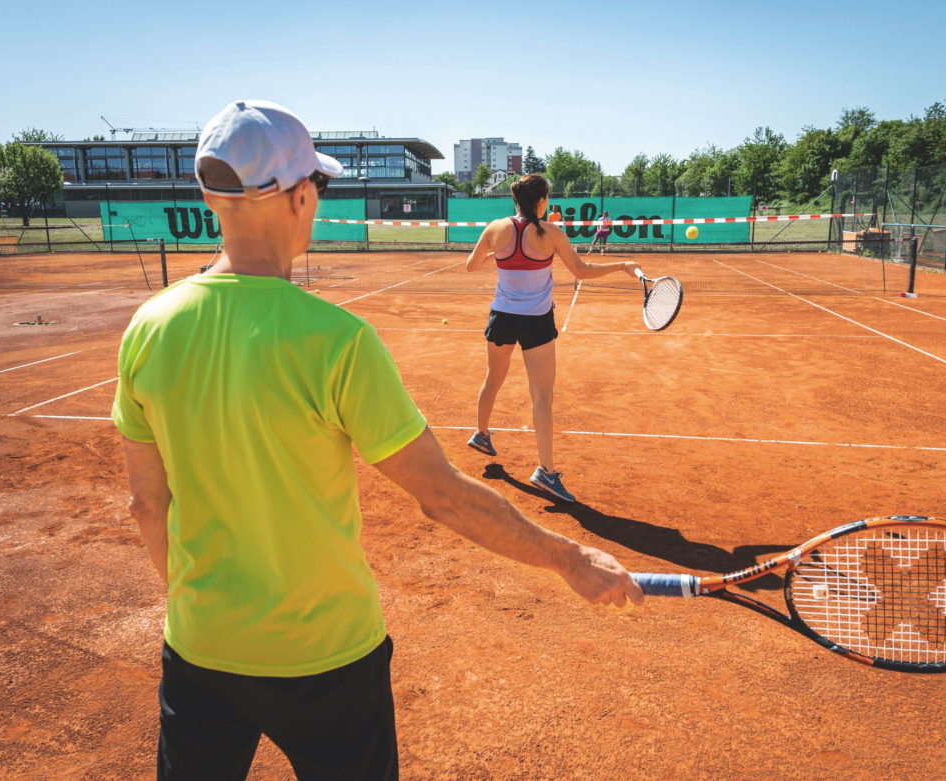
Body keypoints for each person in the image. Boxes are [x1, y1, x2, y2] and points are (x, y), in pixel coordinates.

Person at [112, 101, 643, 781]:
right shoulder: (338, 342)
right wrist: (567, 558)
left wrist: (200, 611)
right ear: (300, 196)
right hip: (328, 660)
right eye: (318, 187)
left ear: (211, 198)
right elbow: (441, 496)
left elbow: (146, 507)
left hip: (199, 652)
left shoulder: (147, 329)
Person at [465, 175, 640, 503]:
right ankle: (545, 472)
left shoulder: (495, 229)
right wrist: (623, 265)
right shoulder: (552, 233)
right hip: (536, 323)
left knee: (493, 380)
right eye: (547, 197)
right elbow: (582, 271)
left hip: (501, 317)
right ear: (541, 201)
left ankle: (481, 434)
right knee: (542, 397)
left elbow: (470, 266)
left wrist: (497, 254)